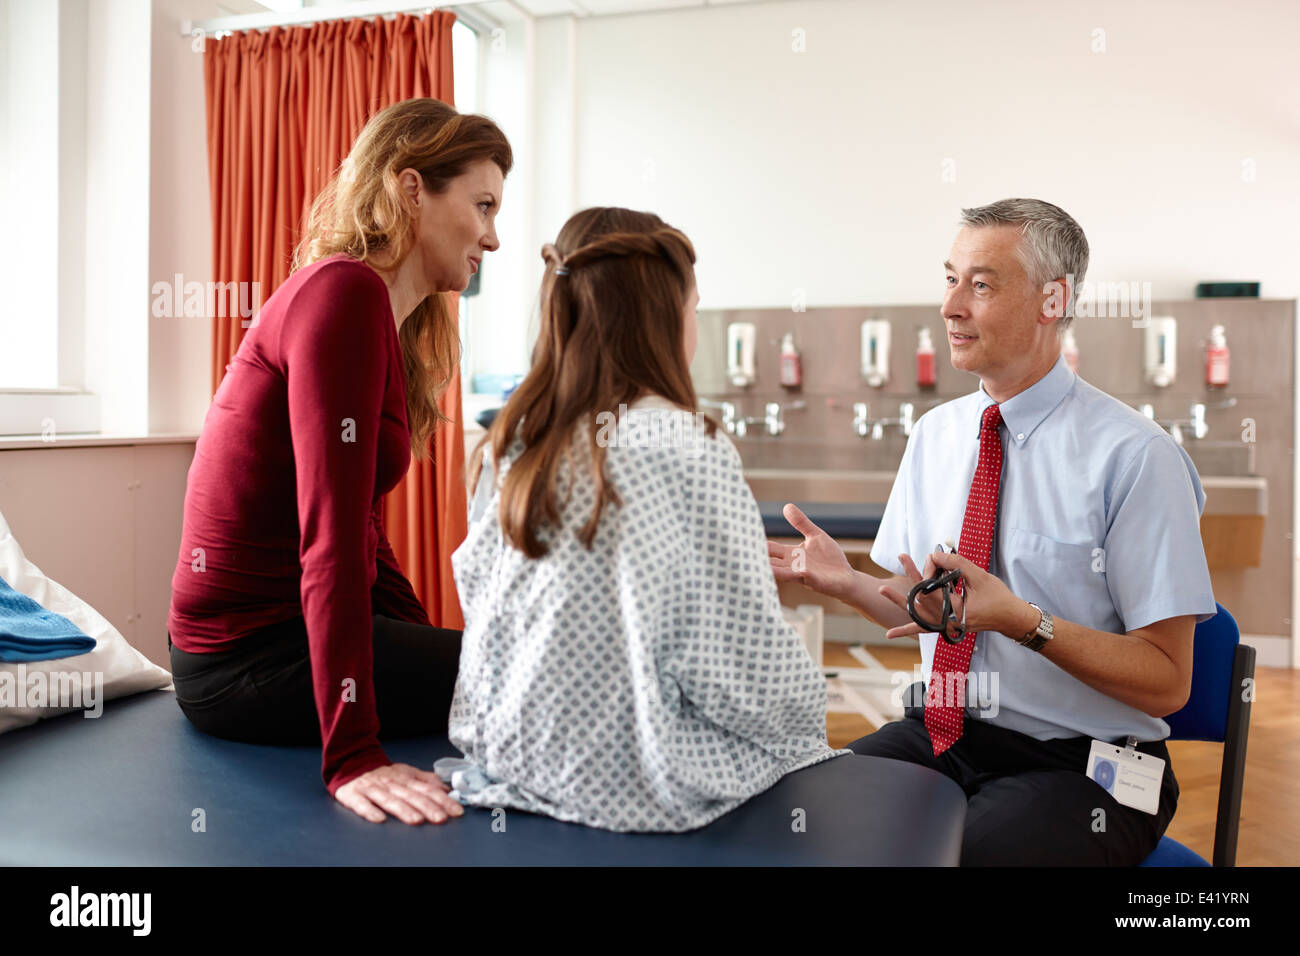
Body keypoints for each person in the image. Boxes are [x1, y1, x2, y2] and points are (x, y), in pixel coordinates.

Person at [769, 198, 1216, 865]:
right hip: (943, 734)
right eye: (950, 279)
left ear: (1052, 300)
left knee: (968, 858)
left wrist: (1023, 621)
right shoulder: (934, 436)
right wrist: (851, 584)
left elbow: (1168, 680)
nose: (951, 306)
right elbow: (934, 609)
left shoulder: (1136, 457)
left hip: (1088, 766)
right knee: (796, 824)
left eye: (980, 285)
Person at [437, 207, 844, 832]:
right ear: (661, 320)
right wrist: (808, 714)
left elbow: (486, 602)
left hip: (515, 756)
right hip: (634, 780)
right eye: (693, 309)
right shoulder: (687, 444)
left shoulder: (515, 441)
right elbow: (741, 663)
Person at [166, 97, 512, 826]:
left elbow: (363, 534)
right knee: (538, 675)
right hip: (246, 661)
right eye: (482, 205)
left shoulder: (378, 316)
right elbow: (328, 539)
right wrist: (352, 753)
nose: (493, 236)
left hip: (270, 645)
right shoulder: (344, 294)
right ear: (413, 188)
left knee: (505, 666)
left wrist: (427, 644)